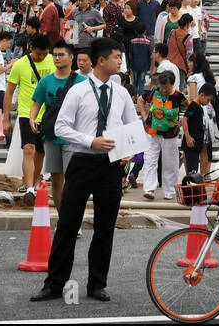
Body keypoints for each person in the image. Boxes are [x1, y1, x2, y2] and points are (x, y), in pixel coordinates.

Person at [31, 38, 139, 303]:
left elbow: (133, 127)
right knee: (68, 223)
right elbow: (61, 127)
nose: (120, 62)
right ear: (101, 60)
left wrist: (128, 150)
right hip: (82, 161)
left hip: (111, 166)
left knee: (105, 226)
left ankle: (97, 283)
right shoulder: (79, 91)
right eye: (116, 57)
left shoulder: (121, 92)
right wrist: (91, 141)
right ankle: (55, 283)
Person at [7, 33, 56, 205]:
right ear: (31, 48)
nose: (41, 57)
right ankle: (29, 188)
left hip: (48, 114)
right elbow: (9, 92)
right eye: (38, 54)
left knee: (41, 153)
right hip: (27, 114)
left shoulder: (53, 61)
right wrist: (5, 118)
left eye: (44, 54)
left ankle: (34, 184)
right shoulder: (20, 64)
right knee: (28, 148)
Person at [32, 41, 81, 205]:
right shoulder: (46, 81)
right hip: (52, 136)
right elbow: (36, 103)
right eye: (55, 55)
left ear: (71, 57)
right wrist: (32, 118)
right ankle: (63, 219)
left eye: (61, 55)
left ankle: (72, 219)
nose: (57, 58)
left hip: (73, 137)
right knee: (56, 177)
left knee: (72, 177)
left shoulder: (82, 81)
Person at [138, 71, 185, 201]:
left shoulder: (178, 97)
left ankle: (169, 190)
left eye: (167, 87)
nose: (163, 90)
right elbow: (141, 100)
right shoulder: (154, 92)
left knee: (170, 163)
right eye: (162, 86)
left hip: (170, 135)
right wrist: (144, 115)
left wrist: (180, 123)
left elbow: (190, 111)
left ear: (173, 84)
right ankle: (149, 189)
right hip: (151, 132)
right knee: (150, 160)